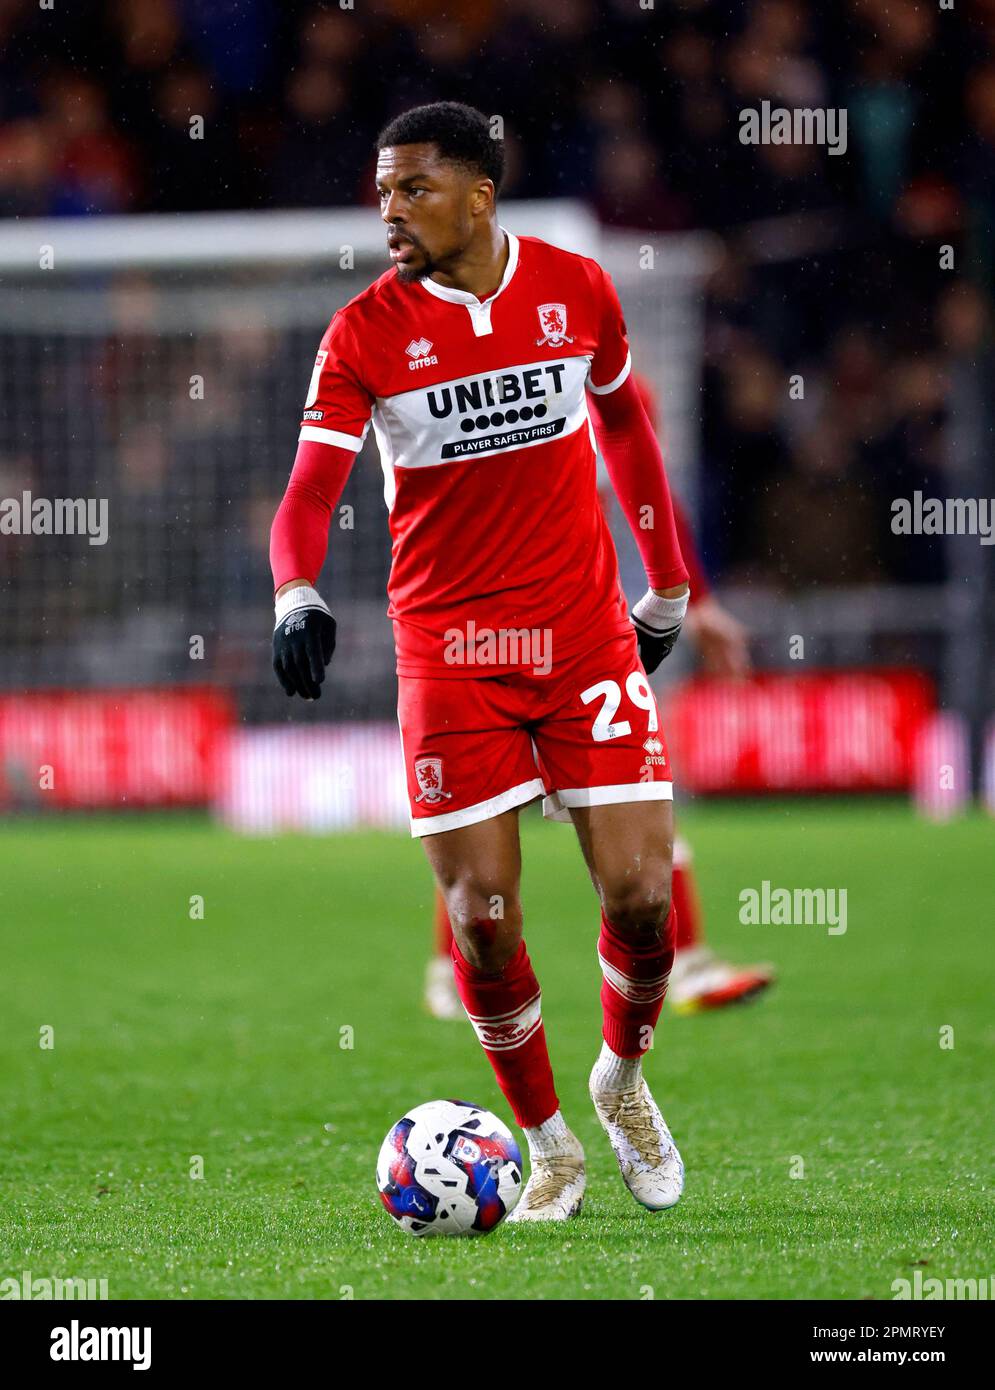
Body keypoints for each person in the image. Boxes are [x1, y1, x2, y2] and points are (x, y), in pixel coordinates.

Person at [271, 101, 696, 1221]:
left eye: (412, 187)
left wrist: (667, 580)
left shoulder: (575, 289)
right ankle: (548, 1140)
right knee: (481, 915)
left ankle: (621, 1080)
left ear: (477, 195)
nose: (390, 208)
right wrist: (296, 590)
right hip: (450, 654)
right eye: (381, 189)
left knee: (643, 898)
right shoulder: (362, 332)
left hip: (582, 634)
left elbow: (627, 425)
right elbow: (310, 489)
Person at [424, 383, 775, 1021]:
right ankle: (453, 968)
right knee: (485, 816)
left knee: (636, 793)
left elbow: (652, 492)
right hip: (482, 637)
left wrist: (689, 599)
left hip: (584, 635)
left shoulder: (610, 384)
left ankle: (684, 967)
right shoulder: (484, 379)